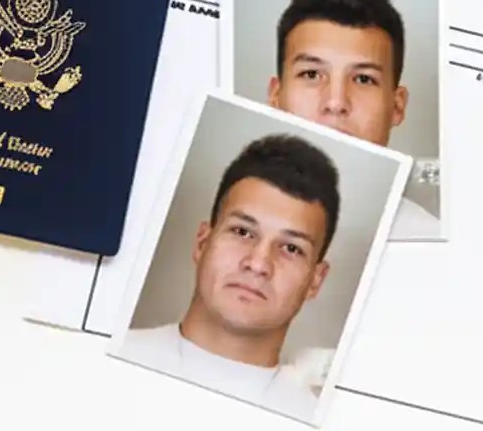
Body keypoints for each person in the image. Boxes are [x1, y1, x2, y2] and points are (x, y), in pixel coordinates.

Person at [119, 134, 339, 421]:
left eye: (291, 248)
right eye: (242, 232)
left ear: (315, 280)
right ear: (202, 242)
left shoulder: (316, 416)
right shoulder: (111, 353)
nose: (258, 264)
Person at [266, 0, 439, 238]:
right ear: (276, 96)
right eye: (311, 74)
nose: (335, 103)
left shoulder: (428, 238)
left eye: (363, 78)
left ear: (397, 106)